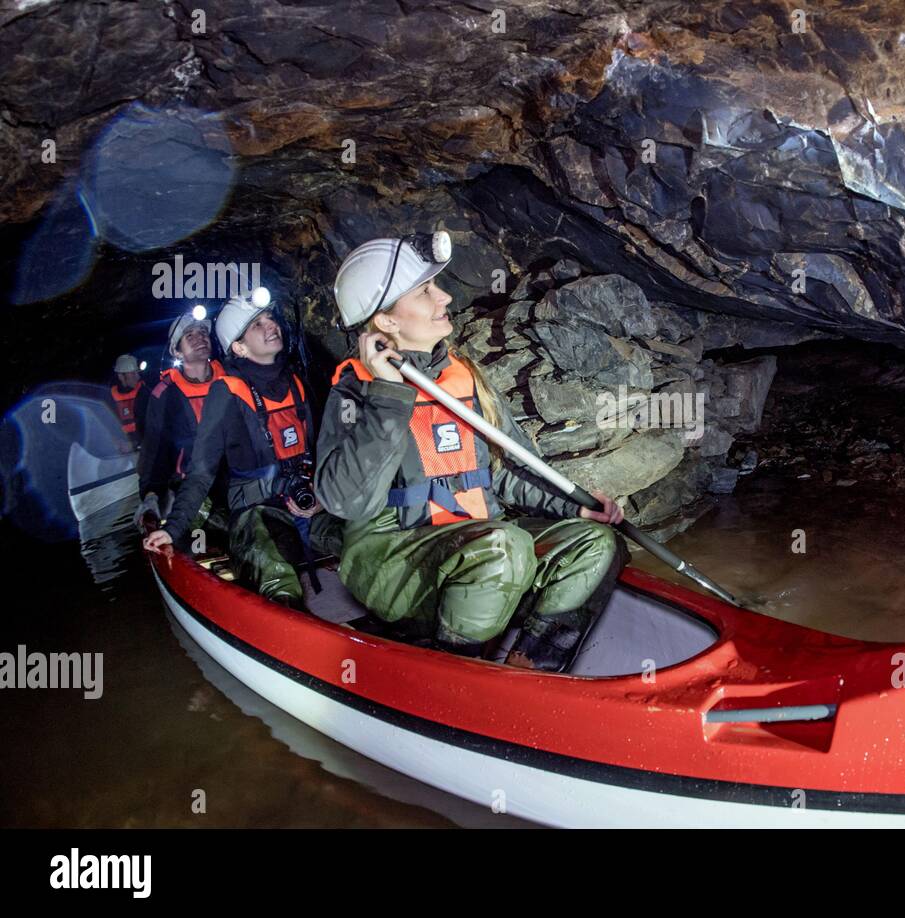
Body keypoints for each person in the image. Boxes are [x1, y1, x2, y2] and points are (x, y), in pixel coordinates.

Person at [317, 231, 628, 671]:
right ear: (386, 322)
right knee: (505, 545)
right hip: (393, 559)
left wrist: (575, 507)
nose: (444, 296)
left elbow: (504, 471)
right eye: (425, 291)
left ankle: (530, 665)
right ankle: (456, 672)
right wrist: (388, 393)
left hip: (477, 544)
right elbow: (346, 500)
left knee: (596, 543)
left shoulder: (464, 378)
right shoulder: (356, 393)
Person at [143, 292, 339, 609]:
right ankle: (288, 623)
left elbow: (321, 451)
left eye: (270, 319)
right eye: (257, 324)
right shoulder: (226, 392)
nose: (270, 326)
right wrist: (172, 527)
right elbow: (202, 471)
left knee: (355, 538)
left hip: (306, 503)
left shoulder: (297, 382)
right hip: (256, 511)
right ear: (239, 347)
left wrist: (320, 494)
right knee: (275, 576)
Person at [135, 309, 226, 531]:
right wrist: (151, 494)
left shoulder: (232, 381)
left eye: (203, 332)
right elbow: (155, 448)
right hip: (189, 485)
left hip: (234, 479)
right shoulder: (166, 394)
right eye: (190, 336)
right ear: (177, 351)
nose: (200, 338)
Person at [109, 354, 149, 447]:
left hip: (140, 447)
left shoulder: (144, 393)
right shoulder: (110, 396)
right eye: (133, 373)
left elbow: (150, 425)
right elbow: (106, 423)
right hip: (118, 449)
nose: (138, 376)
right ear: (121, 376)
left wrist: (135, 444)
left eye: (137, 373)